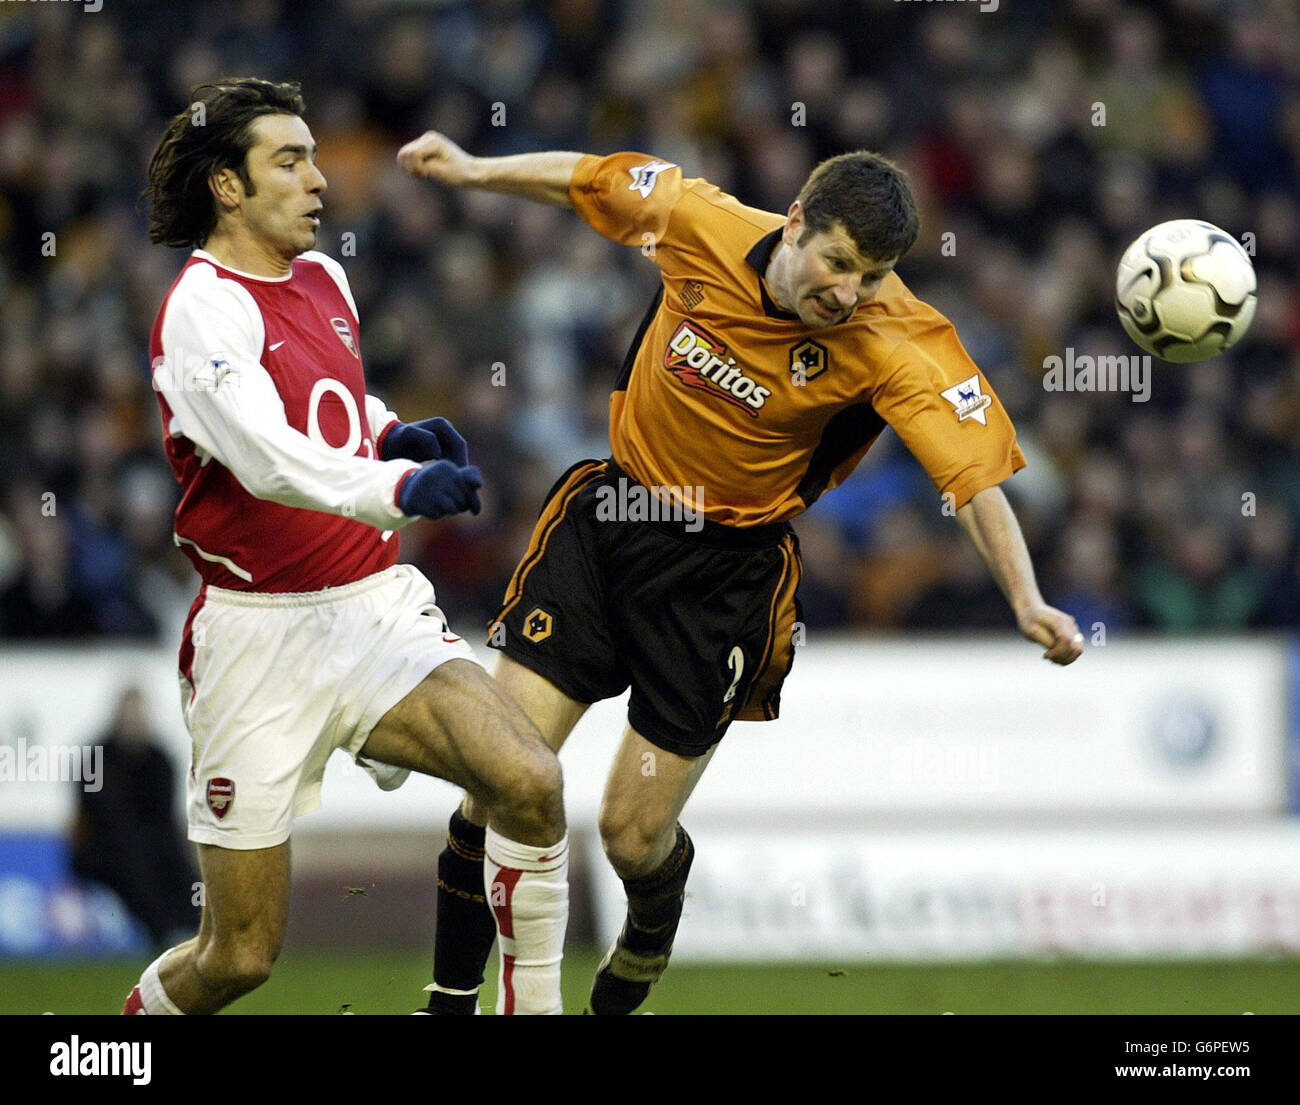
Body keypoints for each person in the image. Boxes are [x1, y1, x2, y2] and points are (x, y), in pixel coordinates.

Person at [397, 132, 1085, 1014]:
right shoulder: (698, 221)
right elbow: (584, 180)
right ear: (796, 222)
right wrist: (471, 170)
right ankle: (449, 998)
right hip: (609, 523)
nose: (849, 292)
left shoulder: (899, 341)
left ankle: (649, 923)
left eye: (871, 277)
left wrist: (1025, 599)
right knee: (497, 774)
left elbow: (977, 481)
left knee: (629, 834)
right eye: (837, 262)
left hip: (723, 577)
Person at [124, 79, 568, 1016]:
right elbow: (262, 455)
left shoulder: (325, 279)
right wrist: (395, 486)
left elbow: (326, 411)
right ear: (228, 188)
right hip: (256, 641)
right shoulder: (202, 308)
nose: (320, 180)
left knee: (529, 780)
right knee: (239, 955)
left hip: (370, 608)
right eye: (290, 160)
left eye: (315, 156)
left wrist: (389, 429)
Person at [71, 686, 197, 949]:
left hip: (152, 844)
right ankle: (163, 932)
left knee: (179, 866)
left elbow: (164, 816)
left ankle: (193, 929)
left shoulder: (159, 759)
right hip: (103, 849)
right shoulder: (96, 758)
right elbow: (97, 813)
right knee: (136, 864)